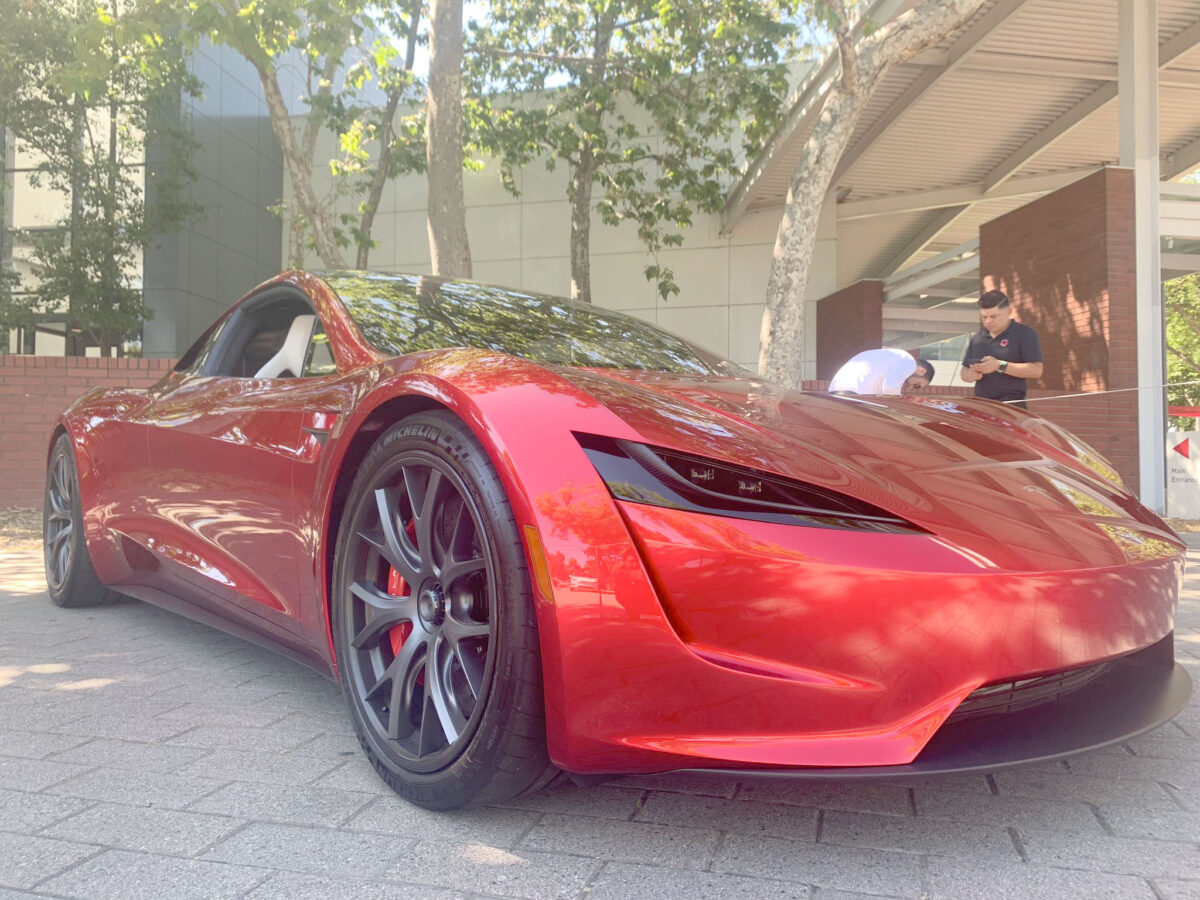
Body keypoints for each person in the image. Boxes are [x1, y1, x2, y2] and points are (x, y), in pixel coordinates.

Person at [960, 290, 1043, 406]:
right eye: (984, 317)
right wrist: (969, 374)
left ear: (1009, 312)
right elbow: (964, 371)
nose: (988, 321)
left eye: (994, 316)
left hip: (1011, 406)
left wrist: (1000, 365)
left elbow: (1037, 370)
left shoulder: (1024, 334)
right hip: (982, 405)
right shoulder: (977, 338)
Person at [828, 348, 935, 395]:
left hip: (834, 391)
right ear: (921, 371)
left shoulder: (889, 356)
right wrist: (898, 408)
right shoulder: (909, 361)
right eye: (917, 385)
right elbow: (890, 387)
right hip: (856, 396)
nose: (910, 388)